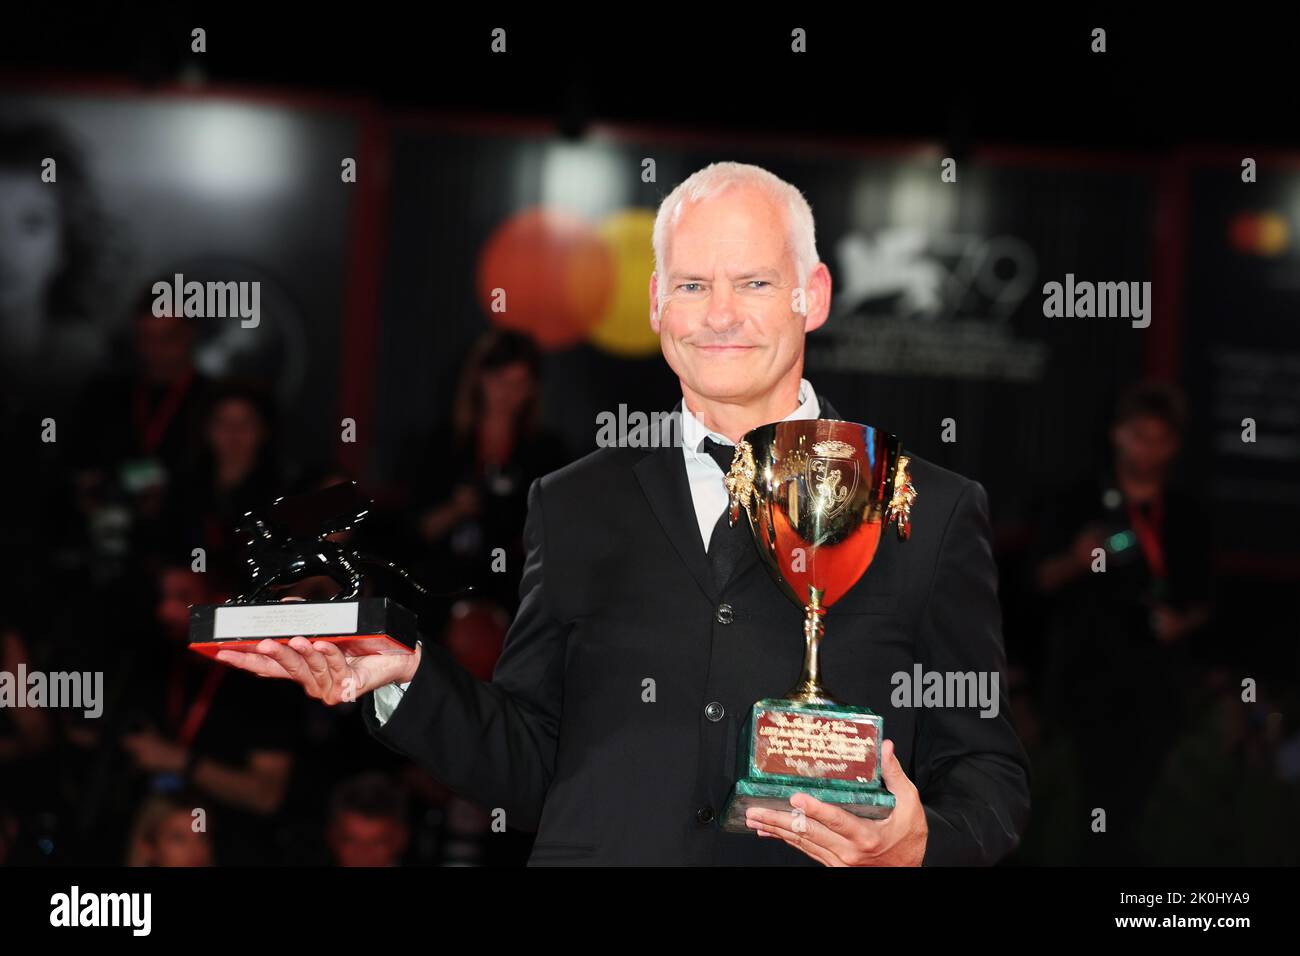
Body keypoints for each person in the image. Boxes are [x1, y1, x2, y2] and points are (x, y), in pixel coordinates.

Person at [217, 162, 1031, 866]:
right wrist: (404, 676)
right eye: (692, 285)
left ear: (810, 296)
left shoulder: (923, 506)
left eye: (752, 282)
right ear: (655, 304)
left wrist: (918, 844)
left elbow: (989, 778)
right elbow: (536, 760)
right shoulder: (571, 501)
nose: (719, 314)